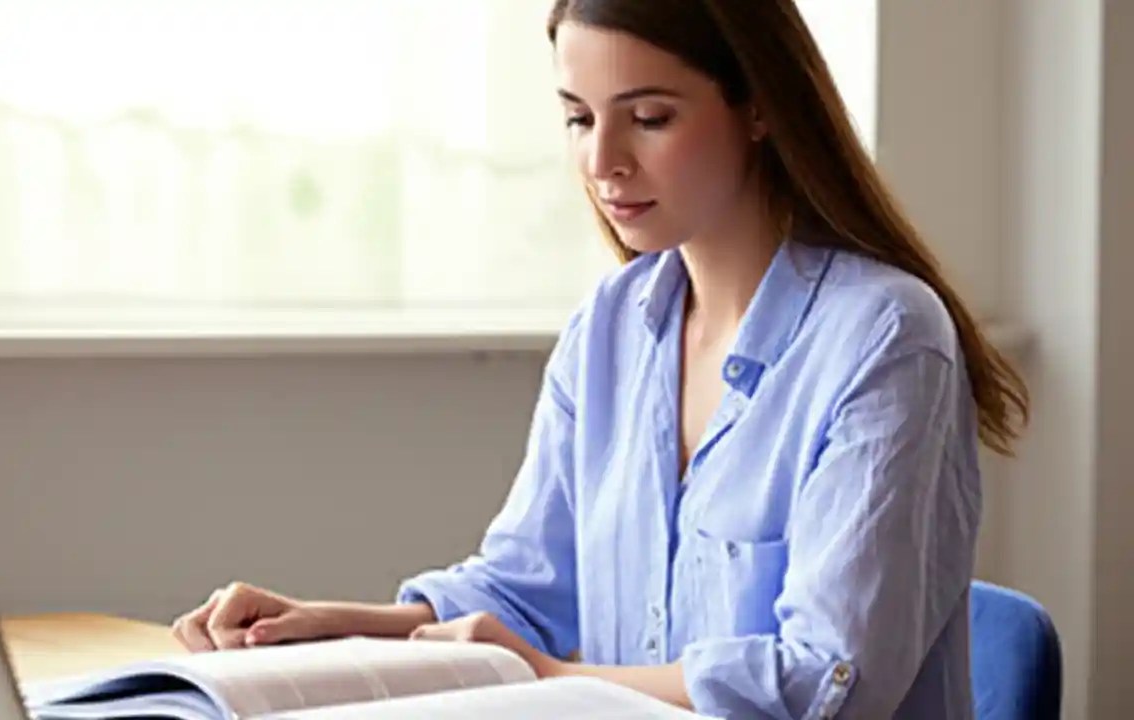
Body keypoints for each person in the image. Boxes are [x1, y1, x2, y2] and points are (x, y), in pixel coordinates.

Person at [171, 1, 1030, 717]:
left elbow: (824, 685)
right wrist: (327, 625)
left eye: (650, 118)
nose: (601, 162)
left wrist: (547, 679)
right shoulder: (613, 328)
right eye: (579, 118)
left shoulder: (885, 338)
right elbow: (521, 591)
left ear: (760, 105)